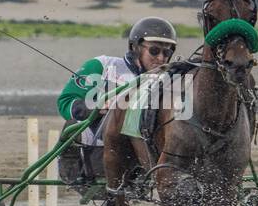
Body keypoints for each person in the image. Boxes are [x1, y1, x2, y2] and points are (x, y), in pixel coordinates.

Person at [54, 16, 177, 180]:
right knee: (72, 125)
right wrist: (96, 107)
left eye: (167, 52)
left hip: (146, 155)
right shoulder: (102, 66)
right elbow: (65, 102)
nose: (161, 58)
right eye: (154, 50)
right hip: (98, 154)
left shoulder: (169, 80)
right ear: (135, 47)